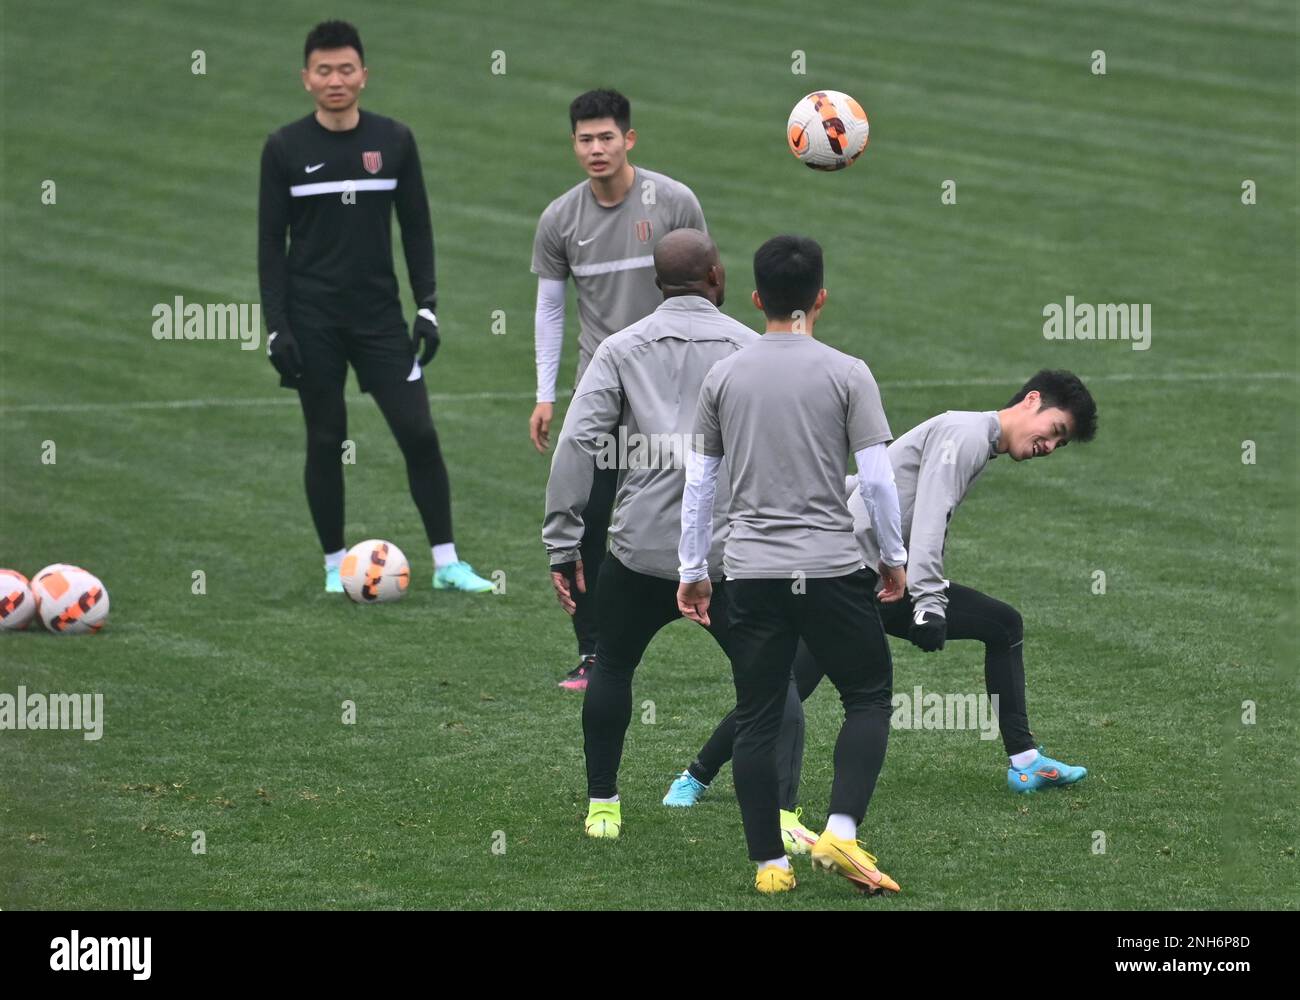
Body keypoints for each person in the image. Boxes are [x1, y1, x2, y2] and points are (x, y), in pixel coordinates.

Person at [670, 370, 1099, 818]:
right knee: (786, 688)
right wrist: (930, 605)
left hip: (880, 583)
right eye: (1054, 431)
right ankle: (696, 776)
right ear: (1032, 401)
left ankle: (1025, 762)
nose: (1048, 447)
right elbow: (932, 515)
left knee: (1002, 625)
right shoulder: (967, 434)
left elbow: (877, 482)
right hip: (850, 583)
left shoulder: (969, 433)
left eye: (1060, 444)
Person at [677, 235, 907, 895]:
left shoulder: (724, 376)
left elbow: (700, 485)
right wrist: (893, 558)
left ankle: (771, 870)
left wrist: (694, 569)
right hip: (832, 567)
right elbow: (880, 483)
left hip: (749, 572)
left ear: (755, 300)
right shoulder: (847, 372)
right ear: (820, 299)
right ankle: (840, 827)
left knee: (756, 714)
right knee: (867, 694)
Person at [543, 230, 769, 842]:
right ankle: (783, 817)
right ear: (717, 279)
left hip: (639, 549)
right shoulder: (752, 350)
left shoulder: (620, 349)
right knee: (768, 682)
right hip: (725, 556)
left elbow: (576, 445)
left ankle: (603, 808)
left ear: (655, 284)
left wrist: (563, 542)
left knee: (613, 665)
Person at [258, 20, 493, 595]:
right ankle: (335, 564)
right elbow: (270, 244)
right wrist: (276, 327)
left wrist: (429, 306)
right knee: (324, 437)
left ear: (363, 74)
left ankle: (447, 564)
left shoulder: (393, 141)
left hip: (380, 319)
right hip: (312, 321)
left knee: (418, 432)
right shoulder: (285, 148)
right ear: (305, 79)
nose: (335, 80)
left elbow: (416, 227)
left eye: (345, 69)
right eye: (323, 70)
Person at [530, 89, 707, 688]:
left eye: (607, 137)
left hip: (670, 389)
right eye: (585, 139)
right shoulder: (560, 219)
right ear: (573, 144)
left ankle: (727, 615)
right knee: (589, 516)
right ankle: (595, 651)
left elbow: (705, 286)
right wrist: (546, 392)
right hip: (603, 390)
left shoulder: (674, 201)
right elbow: (551, 310)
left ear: (629, 139)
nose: (596, 148)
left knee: (705, 497)